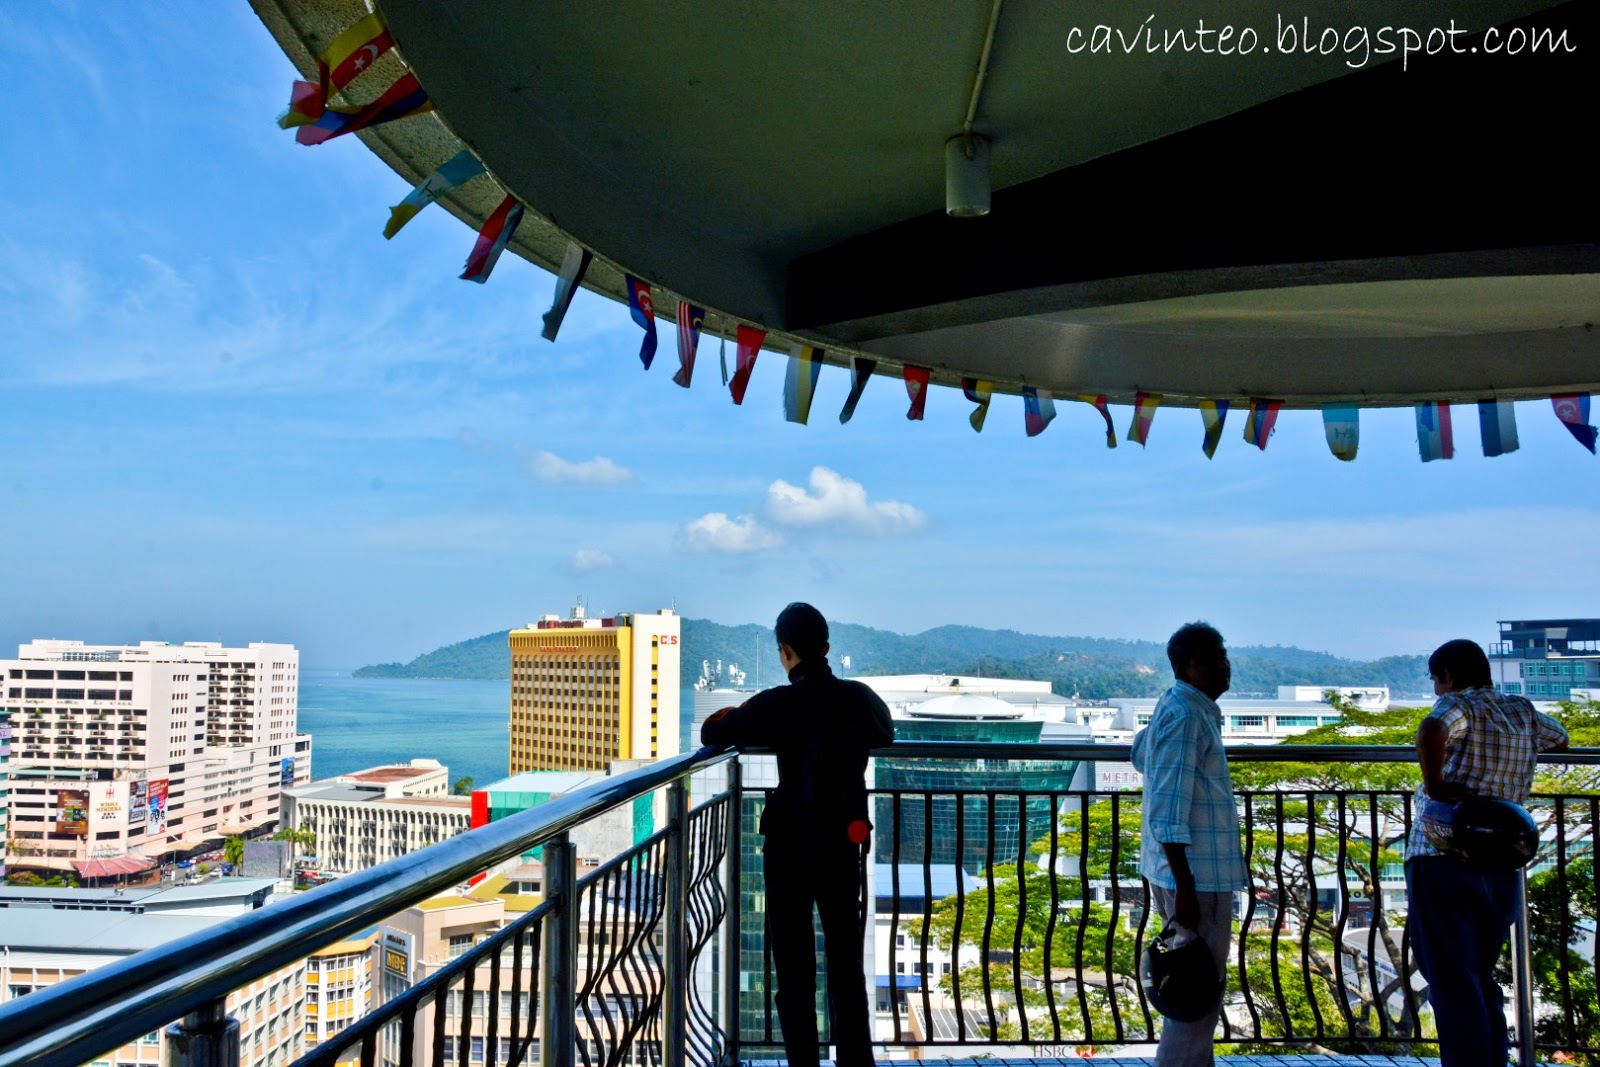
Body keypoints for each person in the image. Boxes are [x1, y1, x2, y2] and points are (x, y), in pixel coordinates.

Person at [701, 603, 894, 1067]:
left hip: (788, 846)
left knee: (793, 966)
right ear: (826, 647)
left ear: (785, 651)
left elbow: (714, 731)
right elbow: (885, 731)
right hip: (844, 842)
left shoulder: (775, 705)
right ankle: (855, 1062)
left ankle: (803, 1063)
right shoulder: (857, 697)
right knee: (846, 963)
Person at [1405, 638, 1568, 1067]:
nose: (1437, 691)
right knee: (1478, 973)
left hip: (1443, 853)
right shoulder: (1522, 711)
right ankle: (1493, 1060)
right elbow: (1562, 739)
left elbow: (1432, 729)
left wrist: (1438, 786)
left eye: (1436, 681)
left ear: (1448, 677)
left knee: (1448, 974)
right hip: (1499, 859)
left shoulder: (1460, 705)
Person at [1130, 621, 1248, 1067]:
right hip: (1197, 874)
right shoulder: (1185, 715)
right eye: (1212, 659)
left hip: (1186, 872)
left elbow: (1141, 754)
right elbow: (1167, 805)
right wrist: (1184, 886)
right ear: (1186, 666)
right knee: (1197, 989)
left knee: (1190, 982)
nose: (1224, 667)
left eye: (1224, 656)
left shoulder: (1176, 705)